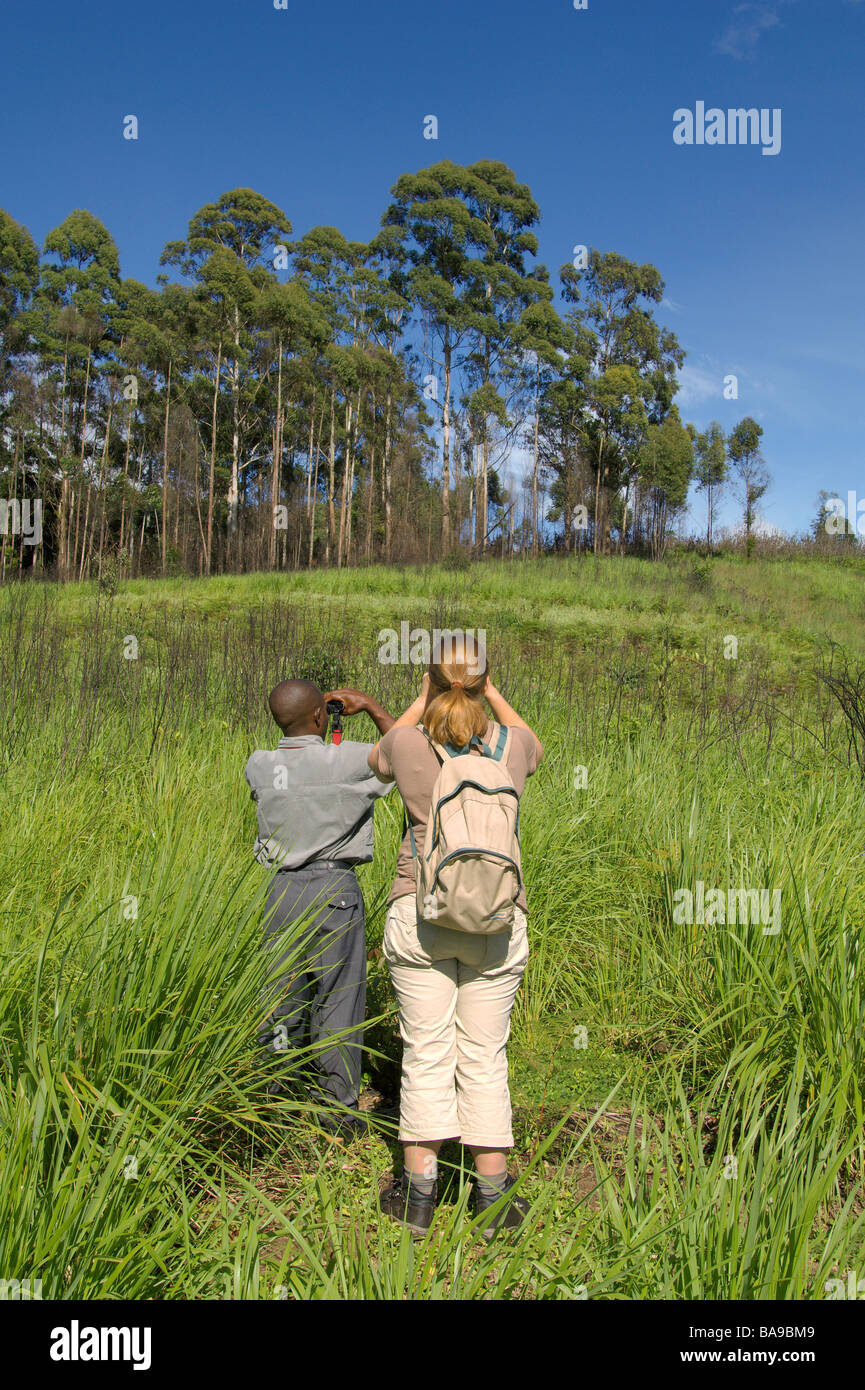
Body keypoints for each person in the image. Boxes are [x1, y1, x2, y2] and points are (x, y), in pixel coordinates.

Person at [367, 641, 543, 1234]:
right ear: (487, 681)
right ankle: (492, 1197)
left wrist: (422, 700)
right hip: (497, 916)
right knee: (485, 1054)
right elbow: (534, 745)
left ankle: (418, 1197)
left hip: (420, 911)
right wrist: (490, 691)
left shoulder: (410, 742)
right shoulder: (510, 747)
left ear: (432, 682)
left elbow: (376, 762)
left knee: (425, 1050)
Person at [244, 680, 394, 1139]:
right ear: (319, 716)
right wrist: (369, 705)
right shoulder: (346, 758)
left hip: (280, 892)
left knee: (281, 996)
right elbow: (405, 753)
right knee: (338, 996)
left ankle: (272, 1100)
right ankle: (337, 1110)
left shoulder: (259, 765)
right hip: (333, 888)